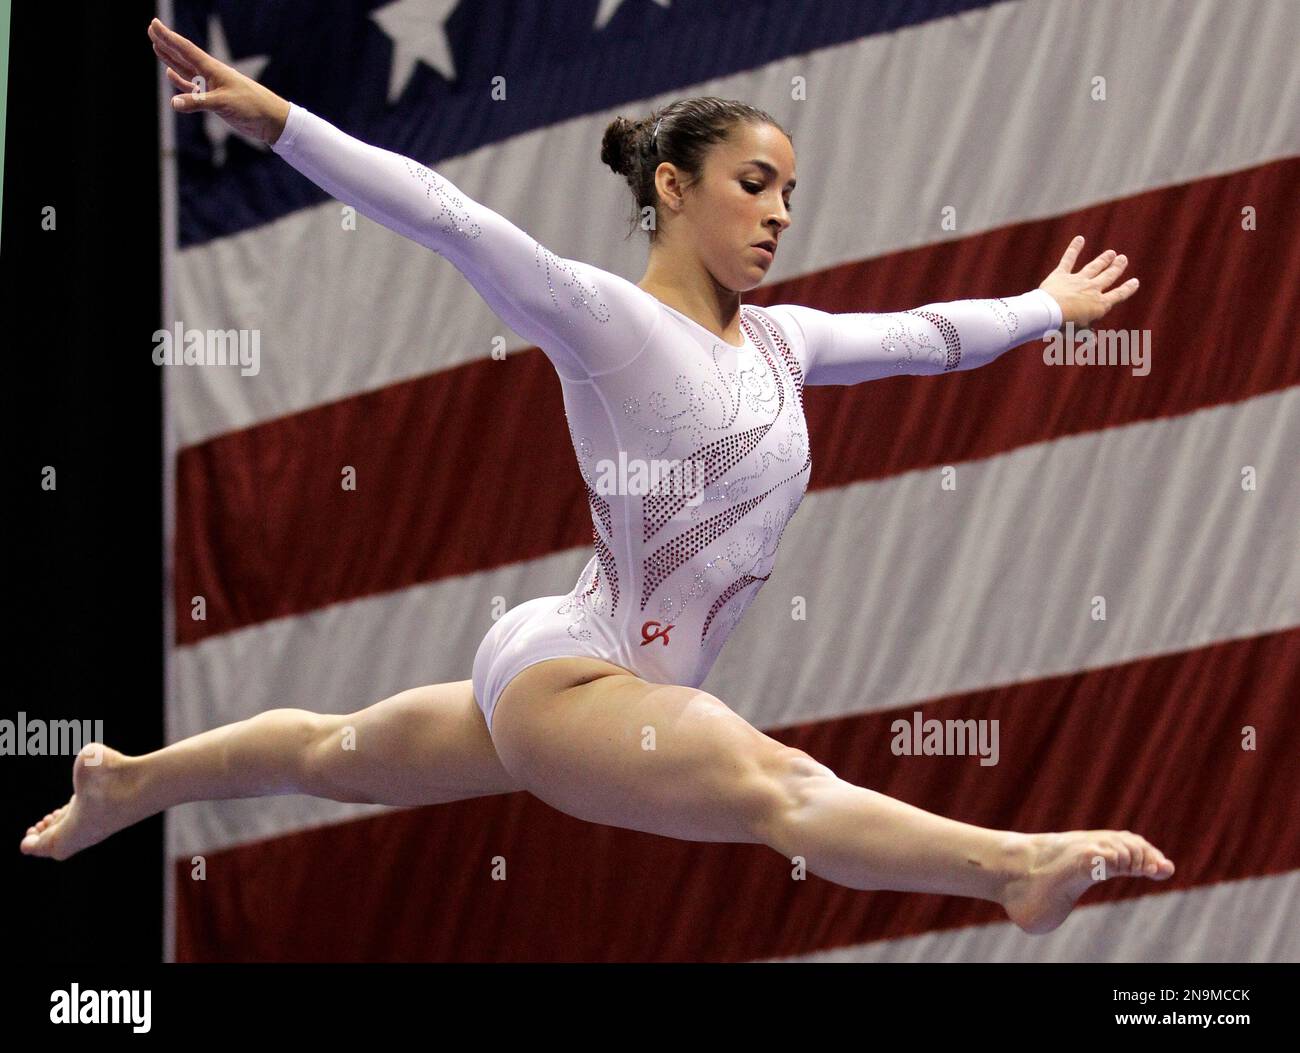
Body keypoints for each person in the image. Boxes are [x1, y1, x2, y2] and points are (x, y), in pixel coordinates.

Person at [21, 17, 1171, 939]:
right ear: (671, 187)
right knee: (778, 786)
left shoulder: (782, 344)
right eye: (753, 183)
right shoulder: (607, 320)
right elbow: (452, 219)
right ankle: (1015, 868)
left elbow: (927, 334)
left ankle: (134, 784)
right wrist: (284, 125)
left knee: (335, 754)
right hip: (575, 683)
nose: (776, 213)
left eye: (788, 194)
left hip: (575, 654)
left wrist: (1041, 310)